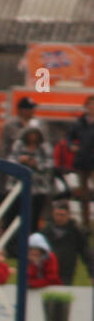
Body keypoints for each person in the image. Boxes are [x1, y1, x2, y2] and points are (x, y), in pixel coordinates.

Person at [0, 96, 36, 217]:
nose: (33, 111)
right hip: (8, 174)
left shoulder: (34, 124)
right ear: (21, 110)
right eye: (29, 109)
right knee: (5, 206)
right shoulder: (10, 125)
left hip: (26, 173)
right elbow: (10, 148)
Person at [10, 124, 54, 238]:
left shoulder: (45, 147)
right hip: (18, 186)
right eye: (31, 133)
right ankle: (16, 239)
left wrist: (36, 164)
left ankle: (33, 239)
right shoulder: (19, 145)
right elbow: (10, 162)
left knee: (35, 216)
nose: (33, 136)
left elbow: (50, 164)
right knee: (17, 214)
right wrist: (21, 161)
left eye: (35, 134)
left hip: (39, 187)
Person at [67, 95, 94, 229]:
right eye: (90, 104)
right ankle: (86, 224)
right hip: (82, 162)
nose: (92, 107)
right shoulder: (79, 123)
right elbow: (69, 138)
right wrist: (71, 145)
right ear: (86, 106)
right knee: (84, 195)